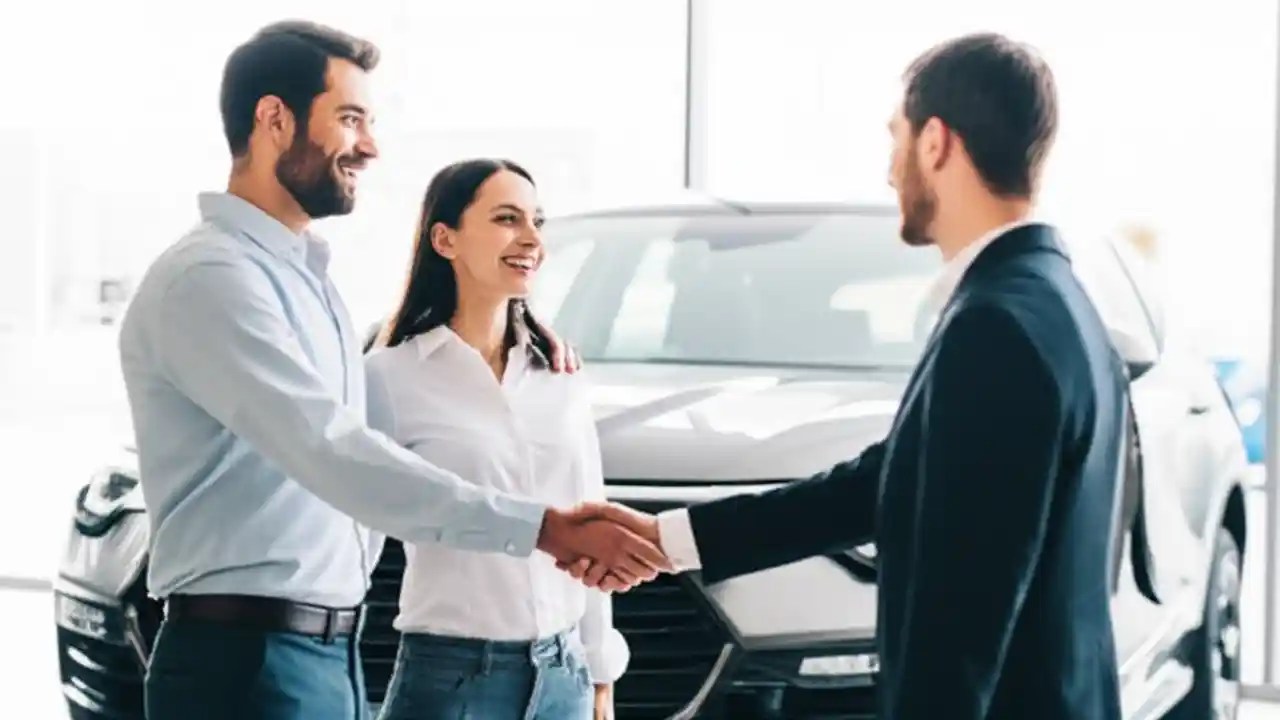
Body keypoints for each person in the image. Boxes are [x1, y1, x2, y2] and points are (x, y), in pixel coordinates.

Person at [118, 21, 663, 720]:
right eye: (350, 119)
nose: (370, 147)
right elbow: (332, 453)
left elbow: (357, 473)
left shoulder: (304, 283)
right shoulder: (210, 280)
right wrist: (543, 528)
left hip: (321, 653)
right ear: (274, 119)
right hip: (247, 660)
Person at [584, 33, 1128, 720]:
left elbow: (964, 610)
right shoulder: (1060, 300)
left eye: (895, 139)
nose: (890, 168)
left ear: (936, 143)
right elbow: (885, 484)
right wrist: (666, 540)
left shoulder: (997, 326)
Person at [366, 159, 624, 719]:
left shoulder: (560, 374)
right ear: (445, 238)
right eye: (507, 219)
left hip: (564, 675)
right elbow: (349, 533)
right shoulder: (387, 377)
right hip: (451, 676)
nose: (532, 239)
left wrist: (600, 671)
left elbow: (590, 520)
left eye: (537, 221)